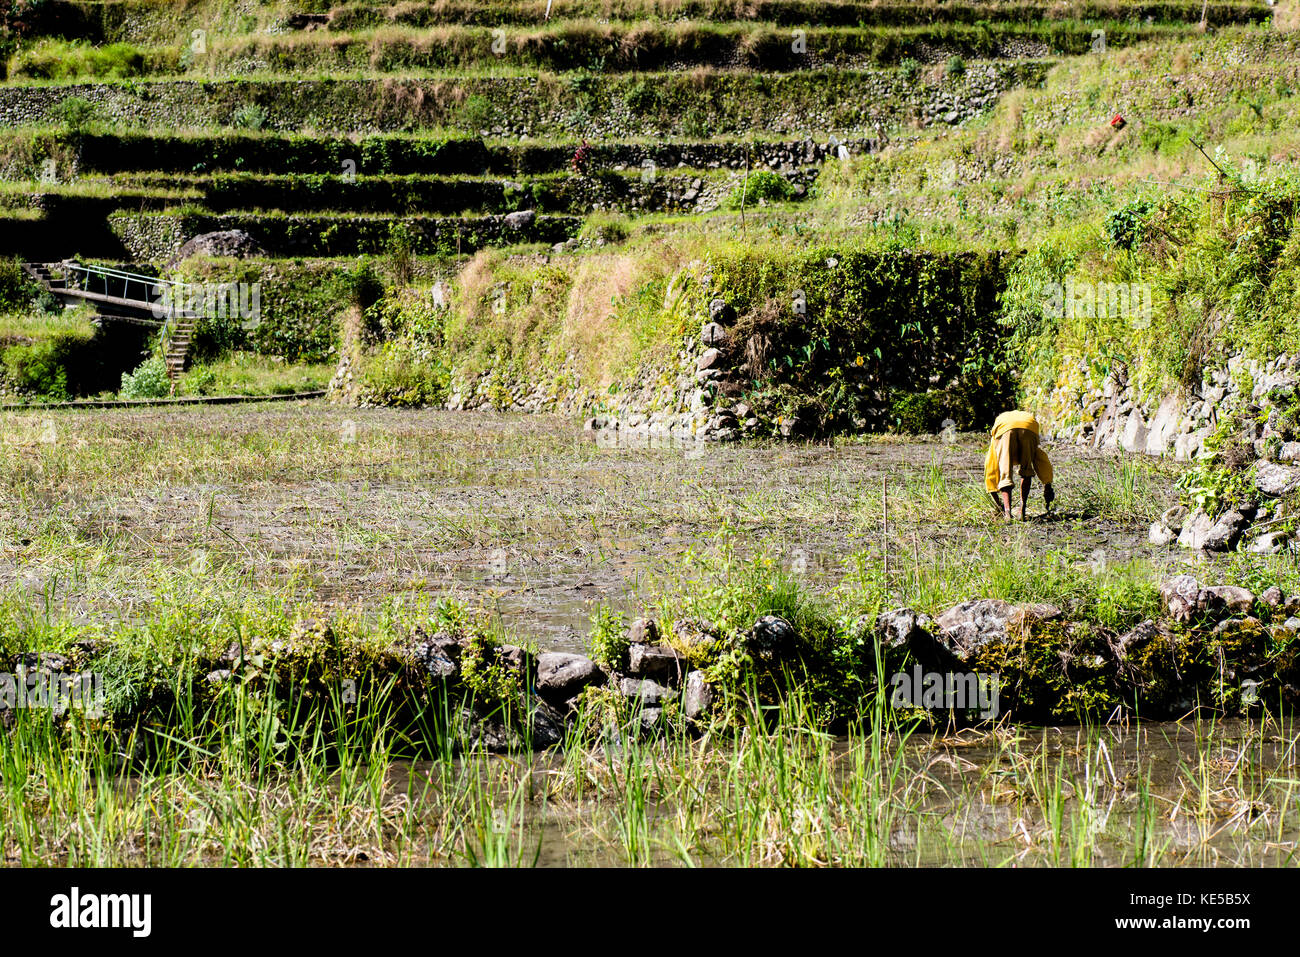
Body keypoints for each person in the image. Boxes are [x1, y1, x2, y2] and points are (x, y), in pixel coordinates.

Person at [984, 410, 1055, 522]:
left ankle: (1007, 513)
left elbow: (991, 468)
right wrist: (1048, 484)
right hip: (1029, 427)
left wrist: (999, 506)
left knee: (1005, 473)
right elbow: (1041, 459)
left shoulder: (996, 438)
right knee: (1027, 469)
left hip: (1004, 429)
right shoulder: (1022, 418)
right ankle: (1022, 510)